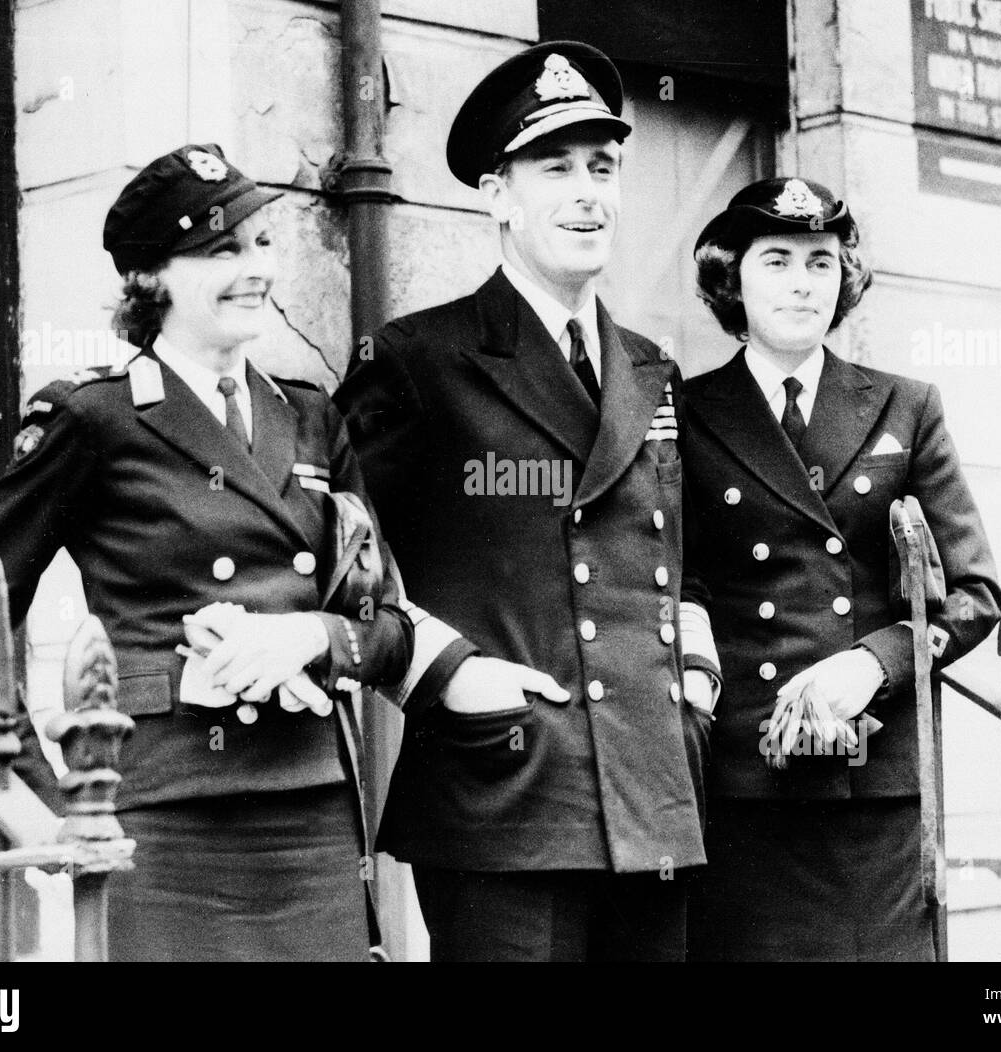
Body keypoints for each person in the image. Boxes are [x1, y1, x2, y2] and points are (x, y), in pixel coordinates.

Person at [0, 143, 412, 962]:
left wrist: (313, 637)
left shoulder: (308, 418)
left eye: (260, 243)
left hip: (312, 812)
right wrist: (48, 800)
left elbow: (388, 627)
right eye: (221, 250)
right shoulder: (93, 419)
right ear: (152, 278)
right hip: (160, 816)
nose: (254, 268)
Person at [335, 41, 720, 963]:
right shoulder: (419, 362)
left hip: (653, 792)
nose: (588, 192)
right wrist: (445, 672)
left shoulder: (650, 368)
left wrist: (697, 682)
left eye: (604, 167)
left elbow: (678, 557)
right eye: (555, 169)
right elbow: (339, 558)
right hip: (502, 793)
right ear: (497, 194)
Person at [681, 176, 1001, 962]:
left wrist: (874, 662)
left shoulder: (905, 407)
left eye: (821, 263)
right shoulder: (683, 413)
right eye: (778, 260)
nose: (802, 283)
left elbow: (976, 593)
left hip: (874, 787)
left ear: (845, 279)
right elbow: (673, 579)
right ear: (733, 277)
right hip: (746, 783)